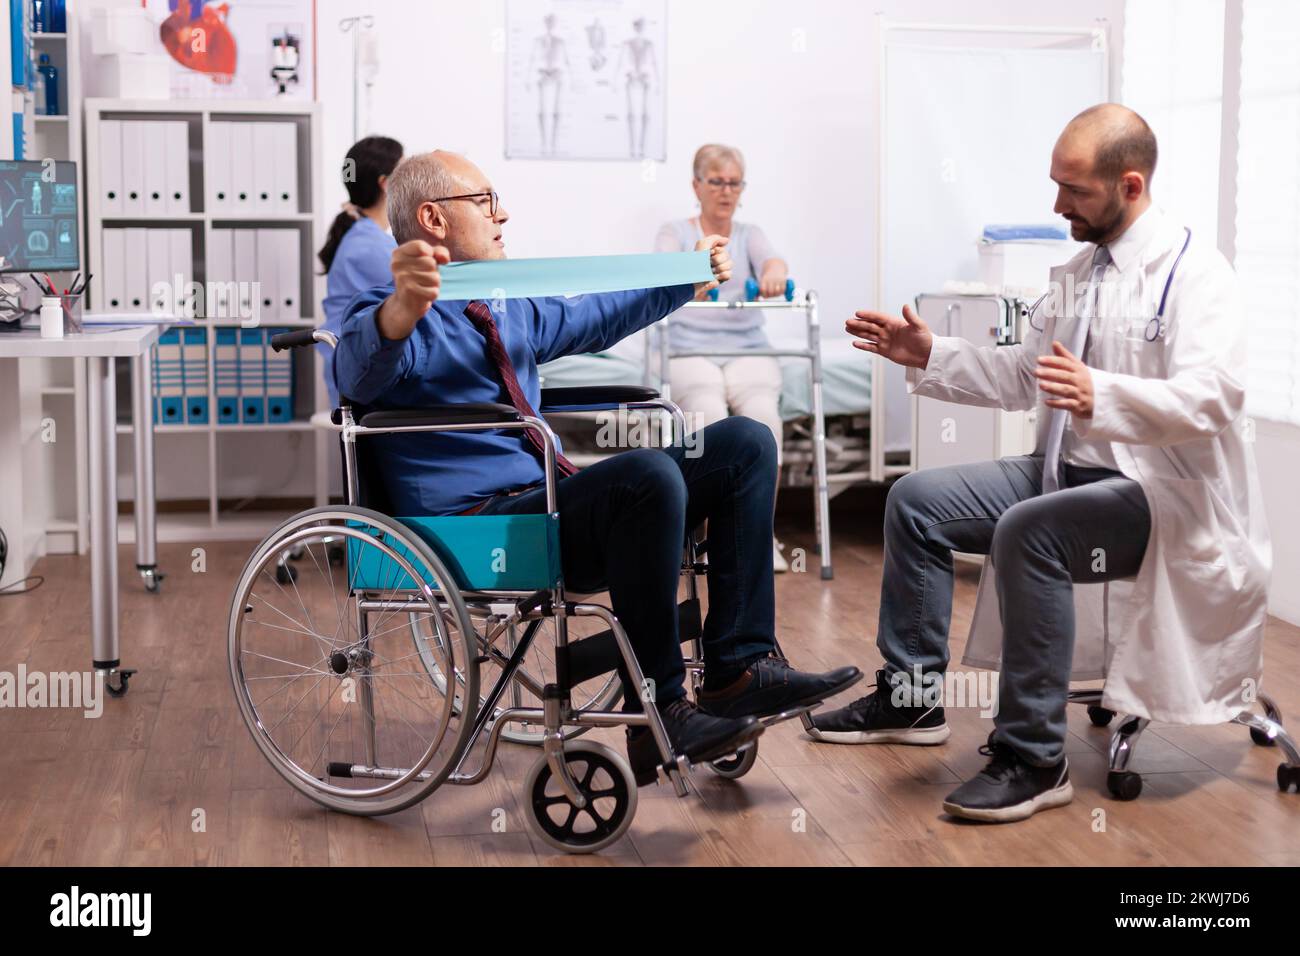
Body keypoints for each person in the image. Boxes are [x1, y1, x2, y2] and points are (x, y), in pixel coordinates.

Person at [334, 150, 861, 783]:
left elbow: (591, 316)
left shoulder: (504, 301)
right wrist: (402, 309)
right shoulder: (390, 308)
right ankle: (662, 707)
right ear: (434, 219)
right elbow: (356, 373)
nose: (504, 214)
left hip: (550, 500)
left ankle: (736, 672)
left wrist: (684, 281)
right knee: (648, 475)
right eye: (486, 201)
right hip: (478, 526)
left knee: (746, 443)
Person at [809, 105, 1270, 823]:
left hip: (1159, 492)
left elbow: (1215, 398)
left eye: (1075, 191)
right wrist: (929, 354)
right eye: (1056, 186)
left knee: (1033, 530)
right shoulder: (1077, 272)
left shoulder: (1197, 273)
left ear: (1131, 184)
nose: (1058, 207)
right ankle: (910, 698)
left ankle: (1033, 756)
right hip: (1069, 472)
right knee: (916, 500)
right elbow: (1026, 373)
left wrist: (1103, 393)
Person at [656, 143, 792, 570]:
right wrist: (695, 270)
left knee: (764, 421)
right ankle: (710, 539)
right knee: (709, 417)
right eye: (716, 181)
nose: (725, 190)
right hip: (690, 349)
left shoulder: (750, 234)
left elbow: (774, 263)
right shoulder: (675, 232)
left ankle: (757, 536)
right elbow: (660, 272)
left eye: (734, 182)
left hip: (745, 348)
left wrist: (773, 275)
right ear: (697, 185)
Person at [318, 135, 403, 408]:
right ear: (386, 183)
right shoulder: (371, 247)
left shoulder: (366, 236)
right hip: (361, 377)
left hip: (358, 369)